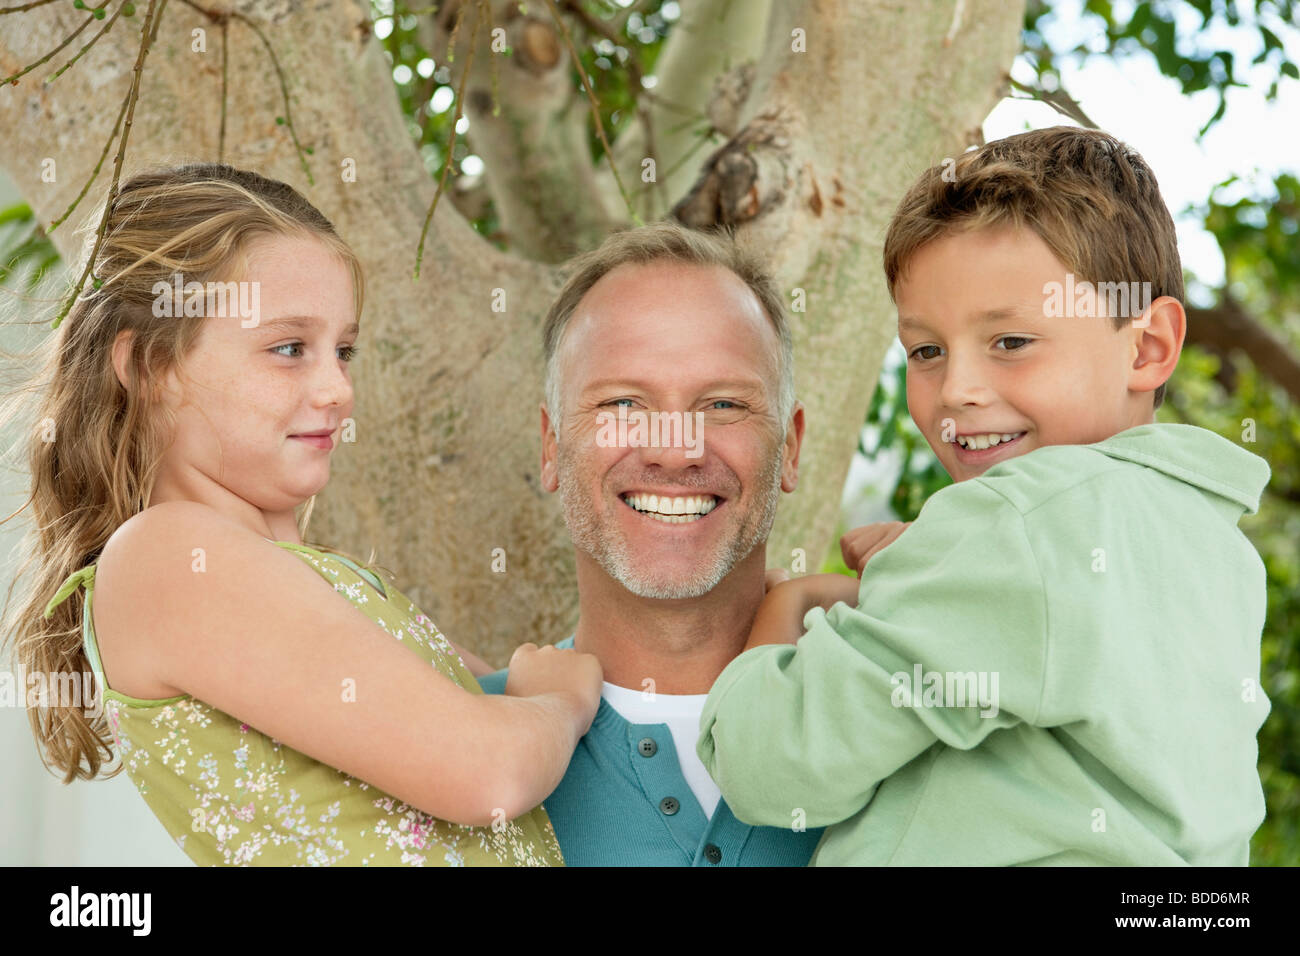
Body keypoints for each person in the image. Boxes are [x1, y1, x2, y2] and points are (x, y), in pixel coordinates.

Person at [698, 126, 1274, 866]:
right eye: (926, 351)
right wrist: (935, 566)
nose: (959, 391)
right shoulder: (1209, 543)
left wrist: (794, 604)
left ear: (1147, 347)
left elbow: (768, 766)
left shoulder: (1011, 527)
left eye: (1011, 342)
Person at [1, 163, 601, 866]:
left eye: (343, 350)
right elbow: (488, 769)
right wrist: (557, 703)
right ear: (149, 367)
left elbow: (486, 696)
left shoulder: (296, 579)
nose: (337, 388)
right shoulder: (166, 557)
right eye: (289, 349)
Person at [477, 221, 825, 865]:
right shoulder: (453, 747)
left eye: (722, 404)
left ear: (791, 448)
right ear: (552, 446)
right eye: (623, 404)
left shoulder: (906, 718)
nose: (675, 450)